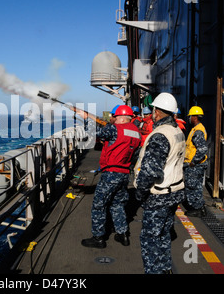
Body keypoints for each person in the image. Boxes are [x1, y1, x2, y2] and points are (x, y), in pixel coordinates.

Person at [133, 93, 186, 274]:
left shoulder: (159, 135)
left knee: (150, 240)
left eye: (153, 110)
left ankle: (156, 271)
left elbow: (150, 171)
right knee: (163, 234)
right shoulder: (178, 131)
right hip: (175, 191)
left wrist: (139, 194)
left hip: (159, 196)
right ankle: (164, 269)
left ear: (156, 111)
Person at [82, 105, 141, 249]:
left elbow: (94, 134)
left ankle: (98, 238)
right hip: (125, 173)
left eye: (114, 117)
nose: (112, 119)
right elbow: (135, 156)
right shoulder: (136, 133)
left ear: (120, 117)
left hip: (111, 173)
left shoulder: (115, 128)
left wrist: (86, 120)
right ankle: (122, 234)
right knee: (118, 204)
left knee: (99, 204)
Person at [183, 106, 208, 217]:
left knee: (192, 187)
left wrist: (194, 161)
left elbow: (202, 149)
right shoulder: (197, 128)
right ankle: (200, 207)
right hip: (196, 164)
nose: (189, 118)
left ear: (195, 117)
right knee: (196, 186)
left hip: (195, 165)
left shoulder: (197, 131)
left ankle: (196, 208)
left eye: (190, 116)